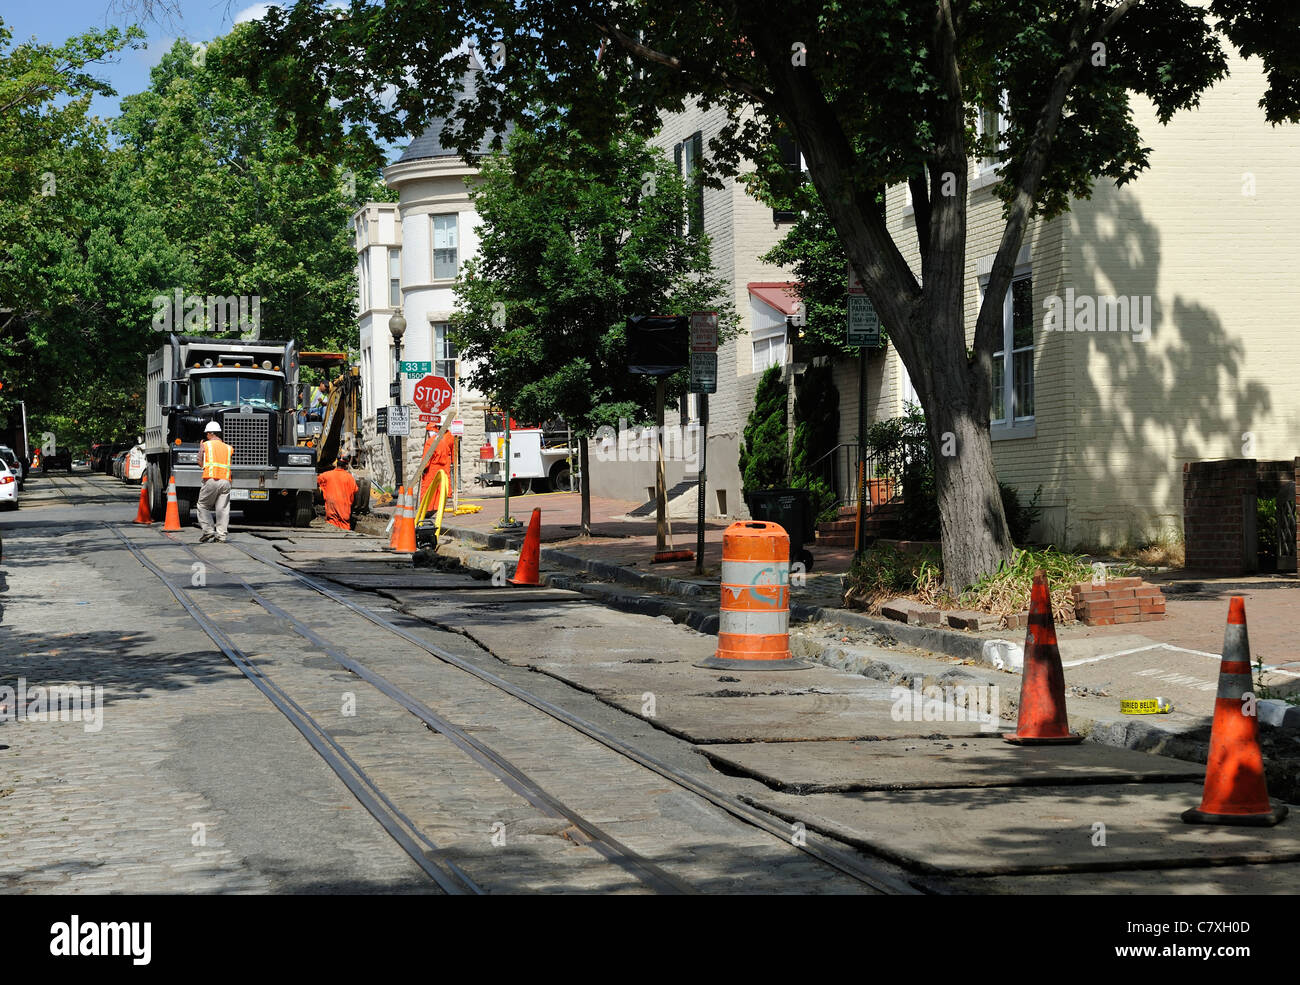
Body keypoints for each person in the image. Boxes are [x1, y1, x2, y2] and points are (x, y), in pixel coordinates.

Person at [197, 421, 233, 543]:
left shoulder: (206, 445)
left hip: (211, 478)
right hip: (226, 481)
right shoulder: (228, 448)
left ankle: (208, 531)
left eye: (207, 434)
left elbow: (200, 462)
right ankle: (221, 535)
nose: (206, 436)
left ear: (210, 433)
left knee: (203, 505)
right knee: (222, 509)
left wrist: (201, 449)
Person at [317, 456, 359, 530]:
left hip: (331, 505)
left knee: (332, 522)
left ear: (337, 464)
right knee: (344, 525)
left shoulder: (327, 475)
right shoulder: (350, 478)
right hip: (344, 507)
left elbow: (316, 481)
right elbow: (355, 490)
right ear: (346, 466)